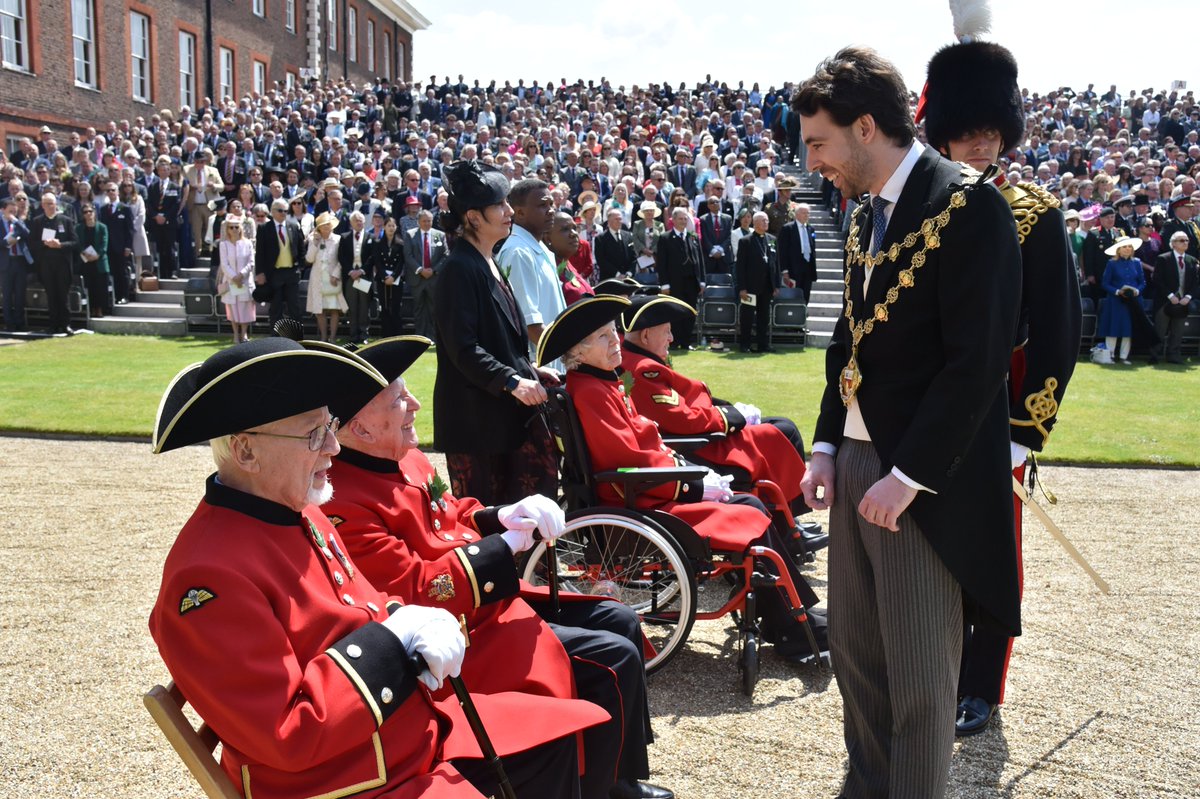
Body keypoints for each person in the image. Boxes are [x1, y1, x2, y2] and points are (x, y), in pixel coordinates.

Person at [147, 338, 604, 799]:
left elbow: (365, 607)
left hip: (392, 734)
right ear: (245, 452)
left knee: (559, 736)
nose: (332, 447)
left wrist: (405, 625)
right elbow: (288, 733)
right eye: (313, 434)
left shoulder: (297, 507)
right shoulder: (207, 576)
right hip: (344, 777)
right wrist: (392, 640)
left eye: (329, 426)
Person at [795, 46, 1021, 799]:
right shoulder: (864, 216)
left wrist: (909, 474)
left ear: (865, 127)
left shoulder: (969, 204)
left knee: (923, 679)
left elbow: (976, 364)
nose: (812, 161)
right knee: (857, 661)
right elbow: (847, 339)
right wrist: (826, 443)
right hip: (861, 467)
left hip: (920, 483)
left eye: (819, 143)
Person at [323, 335, 672, 799]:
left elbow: (450, 514)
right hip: (462, 636)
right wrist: (501, 547)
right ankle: (598, 789)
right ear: (361, 430)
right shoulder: (343, 501)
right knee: (614, 658)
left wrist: (500, 515)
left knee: (620, 618)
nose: (414, 406)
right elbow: (415, 589)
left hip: (489, 606)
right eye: (398, 399)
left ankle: (618, 777)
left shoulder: (401, 455)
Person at [917, 34, 1082, 737]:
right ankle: (928, 666)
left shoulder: (1035, 212)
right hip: (924, 401)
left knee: (990, 550)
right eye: (967, 131)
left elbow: (1057, 328)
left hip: (998, 409)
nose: (979, 145)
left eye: (990, 133)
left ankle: (979, 684)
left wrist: (1025, 432)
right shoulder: (920, 205)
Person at [537, 296, 829, 660]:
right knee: (749, 509)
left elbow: (644, 446)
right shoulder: (592, 392)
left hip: (645, 495)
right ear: (578, 352)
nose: (616, 341)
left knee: (749, 505)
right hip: (641, 502)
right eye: (603, 336)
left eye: (614, 331)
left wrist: (694, 475)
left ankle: (788, 618)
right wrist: (693, 483)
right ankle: (791, 625)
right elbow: (626, 460)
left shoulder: (601, 384)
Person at [620, 294, 827, 549]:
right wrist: (733, 417)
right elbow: (683, 420)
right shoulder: (642, 369)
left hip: (695, 438)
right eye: (667, 332)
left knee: (782, 426)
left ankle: (788, 524)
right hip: (694, 447)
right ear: (646, 336)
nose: (672, 339)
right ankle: (787, 531)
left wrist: (726, 410)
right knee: (782, 432)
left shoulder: (638, 358)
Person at [432, 160, 559, 505]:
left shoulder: (486, 260)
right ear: (473, 217)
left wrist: (529, 369)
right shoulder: (458, 269)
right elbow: (464, 349)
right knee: (489, 522)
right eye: (499, 206)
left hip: (500, 418)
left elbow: (501, 340)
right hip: (477, 426)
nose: (508, 212)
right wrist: (514, 381)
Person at [497, 179, 566, 365]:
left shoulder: (538, 247)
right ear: (519, 212)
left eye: (551, 204)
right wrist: (568, 353)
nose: (551, 210)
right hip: (539, 367)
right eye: (542, 205)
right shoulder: (519, 252)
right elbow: (531, 325)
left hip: (553, 360)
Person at [28, 193, 77, 334]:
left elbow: (75, 242)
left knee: (63, 295)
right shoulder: (37, 222)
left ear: (56, 204)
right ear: (42, 205)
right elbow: (32, 243)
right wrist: (44, 244)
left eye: (52, 203)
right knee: (51, 295)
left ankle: (66, 324)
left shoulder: (65, 221)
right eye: (47, 203)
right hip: (46, 265)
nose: (50, 206)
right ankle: (53, 325)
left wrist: (60, 245)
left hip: (62, 264)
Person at [655, 207, 704, 348]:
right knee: (675, 312)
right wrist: (664, 285)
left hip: (691, 282)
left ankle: (686, 342)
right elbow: (662, 263)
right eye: (680, 219)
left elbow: (700, 260)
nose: (683, 221)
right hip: (674, 282)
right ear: (673, 220)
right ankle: (675, 341)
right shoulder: (665, 238)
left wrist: (702, 281)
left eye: (685, 219)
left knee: (690, 312)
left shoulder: (693, 236)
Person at [255, 198, 306, 327]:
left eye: (285, 211)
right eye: (280, 210)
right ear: (272, 212)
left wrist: (300, 267)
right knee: (276, 306)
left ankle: (296, 336)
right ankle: (275, 338)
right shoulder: (264, 228)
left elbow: (301, 249)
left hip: (291, 272)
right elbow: (260, 252)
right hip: (274, 273)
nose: (283, 213)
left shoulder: (293, 226)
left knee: (294, 306)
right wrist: (260, 273)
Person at [733, 210, 778, 353]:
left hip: (767, 286)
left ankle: (762, 344)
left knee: (764, 317)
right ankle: (745, 344)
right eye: (763, 221)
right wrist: (742, 287)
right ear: (755, 223)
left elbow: (776, 263)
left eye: (767, 221)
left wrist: (776, 285)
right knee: (747, 316)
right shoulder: (745, 241)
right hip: (750, 287)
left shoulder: (771, 239)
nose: (766, 223)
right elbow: (740, 267)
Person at [1096, 235, 1146, 365]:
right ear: (1119, 249)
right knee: (1114, 327)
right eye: (1124, 246)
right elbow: (1105, 283)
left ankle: (1124, 357)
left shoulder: (1137, 262)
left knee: (1128, 329)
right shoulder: (1112, 263)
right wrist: (1118, 291)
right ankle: (1110, 355)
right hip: (1116, 300)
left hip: (1133, 301)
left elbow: (1142, 282)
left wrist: (1137, 290)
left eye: (1130, 247)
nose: (1127, 249)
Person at [1150, 231, 1199, 364]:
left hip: (1183, 302)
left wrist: (1188, 297)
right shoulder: (1163, 258)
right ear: (1173, 244)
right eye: (1181, 240)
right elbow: (1157, 279)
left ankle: (1174, 356)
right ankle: (1155, 356)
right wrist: (1170, 295)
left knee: (1178, 331)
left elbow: (1196, 282)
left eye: (1187, 240)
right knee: (1160, 330)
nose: (1185, 243)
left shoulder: (1191, 260)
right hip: (1164, 301)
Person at [405, 209, 447, 341]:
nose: (427, 223)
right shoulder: (410, 235)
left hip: (433, 278)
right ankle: (420, 337)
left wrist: (433, 270)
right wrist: (420, 269)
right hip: (417, 278)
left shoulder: (439, 235)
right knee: (418, 309)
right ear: (418, 222)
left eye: (429, 220)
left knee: (433, 309)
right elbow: (408, 255)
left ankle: (432, 336)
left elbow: (445, 255)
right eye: (424, 221)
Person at [305, 212, 347, 342]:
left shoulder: (338, 239)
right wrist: (315, 243)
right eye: (324, 225)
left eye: (329, 225)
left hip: (333, 278)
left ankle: (333, 337)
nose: (327, 228)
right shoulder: (313, 240)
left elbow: (342, 259)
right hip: (318, 278)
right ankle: (323, 336)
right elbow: (309, 259)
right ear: (319, 228)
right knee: (319, 310)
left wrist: (336, 274)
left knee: (334, 309)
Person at [217, 215, 256, 344]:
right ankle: (235, 335)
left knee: (245, 307)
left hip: (244, 281)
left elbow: (251, 262)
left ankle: (244, 334)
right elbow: (224, 264)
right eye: (231, 227)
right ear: (227, 229)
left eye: (236, 227)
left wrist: (241, 275)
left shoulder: (247, 243)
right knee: (232, 308)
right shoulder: (224, 245)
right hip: (230, 281)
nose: (234, 229)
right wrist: (234, 277)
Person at [338, 210, 374, 345]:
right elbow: (341, 256)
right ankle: (353, 335)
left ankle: (364, 335)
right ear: (351, 223)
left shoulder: (371, 237)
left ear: (364, 222)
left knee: (364, 307)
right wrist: (350, 272)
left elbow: (372, 258)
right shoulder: (345, 237)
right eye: (356, 220)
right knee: (352, 307)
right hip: (350, 278)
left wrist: (362, 271)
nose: (359, 223)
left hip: (364, 277)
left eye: (361, 220)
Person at [546, 211, 594, 306]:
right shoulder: (547, 273)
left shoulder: (567, 265)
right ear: (548, 238)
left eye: (574, 228)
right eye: (565, 229)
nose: (574, 234)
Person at [145, 156, 182, 279]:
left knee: (170, 247)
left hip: (169, 222)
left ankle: (172, 271)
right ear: (158, 171)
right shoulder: (152, 186)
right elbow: (149, 203)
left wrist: (165, 217)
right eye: (161, 170)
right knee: (159, 248)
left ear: (169, 171)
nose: (164, 172)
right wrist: (155, 216)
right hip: (156, 222)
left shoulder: (175, 187)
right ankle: (161, 272)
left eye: (166, 170)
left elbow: (176, 204)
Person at [98, 182, 134, 306]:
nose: (110, 193)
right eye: (108, 190)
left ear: (118, 192)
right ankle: (112, 297)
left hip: (121, 246)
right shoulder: (103, 209)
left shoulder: (125, 208)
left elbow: (129, 230)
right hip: (107, 247)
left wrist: (128, 246)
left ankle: (124, 295)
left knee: (122, 272)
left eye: (113, 190)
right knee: (111, 272)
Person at [0, 197, 33, 331]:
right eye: (10, 211)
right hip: (5, 262)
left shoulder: (17, 222)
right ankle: (9, 323)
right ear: (2, 210)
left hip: (20, 261)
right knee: (7, 294)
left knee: (20, 293)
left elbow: (27, 234)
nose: (12, 213)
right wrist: (6, 243)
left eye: (14, 211)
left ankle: (20, 322)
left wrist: (15, 220)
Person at [373, 216, 407, 337]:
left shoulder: (401, 244)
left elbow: (401, 262)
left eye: (393, 226)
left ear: (396, 227)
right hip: (383, 279)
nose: (391, 228)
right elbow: (377, 262)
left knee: (396, 307)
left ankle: (397, 333)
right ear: (384, 227)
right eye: (389, 226)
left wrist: (393, 276)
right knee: (385, 306)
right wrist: (384, 277)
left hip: (396, 279)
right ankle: (386, 334)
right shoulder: (377, 243)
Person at [75, 203, 110, 318]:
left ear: (94, 213)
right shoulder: (78, 228)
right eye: (85, 212)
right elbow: (78, 243)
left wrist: (98, 255)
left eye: (90, 211)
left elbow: (104, 244)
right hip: (85, 261)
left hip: (99, 262)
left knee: (100, 287)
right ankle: (91, 309)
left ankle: (99, 309)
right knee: (89, 286)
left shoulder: (102, 227)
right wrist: (85, 254)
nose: (88, 214)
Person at [777, 203, 818, 303]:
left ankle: (803, 313)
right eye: (804, 213)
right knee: (794, 296)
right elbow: (782, 251)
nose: (806, 215)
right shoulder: (788, 229)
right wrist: (785, 271)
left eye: (808, 213)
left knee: (806, 295)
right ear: (797, 214)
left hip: (808, 267)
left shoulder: (810, 229)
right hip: (793, 269)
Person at [594, 207, 639, 280]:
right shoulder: (600, 239)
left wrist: (629, 273)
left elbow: (634, 257)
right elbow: (601, 260)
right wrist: (617, 274)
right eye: (616, 219)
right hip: (609, 280)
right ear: (609, 222)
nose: (619, 221)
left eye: (620, 219)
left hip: (628, 279)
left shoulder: (628, 236)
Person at [699, 195, 733, 275]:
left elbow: (729, 236)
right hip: (709, 257)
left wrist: (721, 249)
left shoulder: (728, 218)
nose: (714, 204)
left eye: (717, 202)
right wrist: (713, 250)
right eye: (711, 202)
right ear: (708, 206)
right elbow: (704, 237)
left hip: (724, 257)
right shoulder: (703, 219)